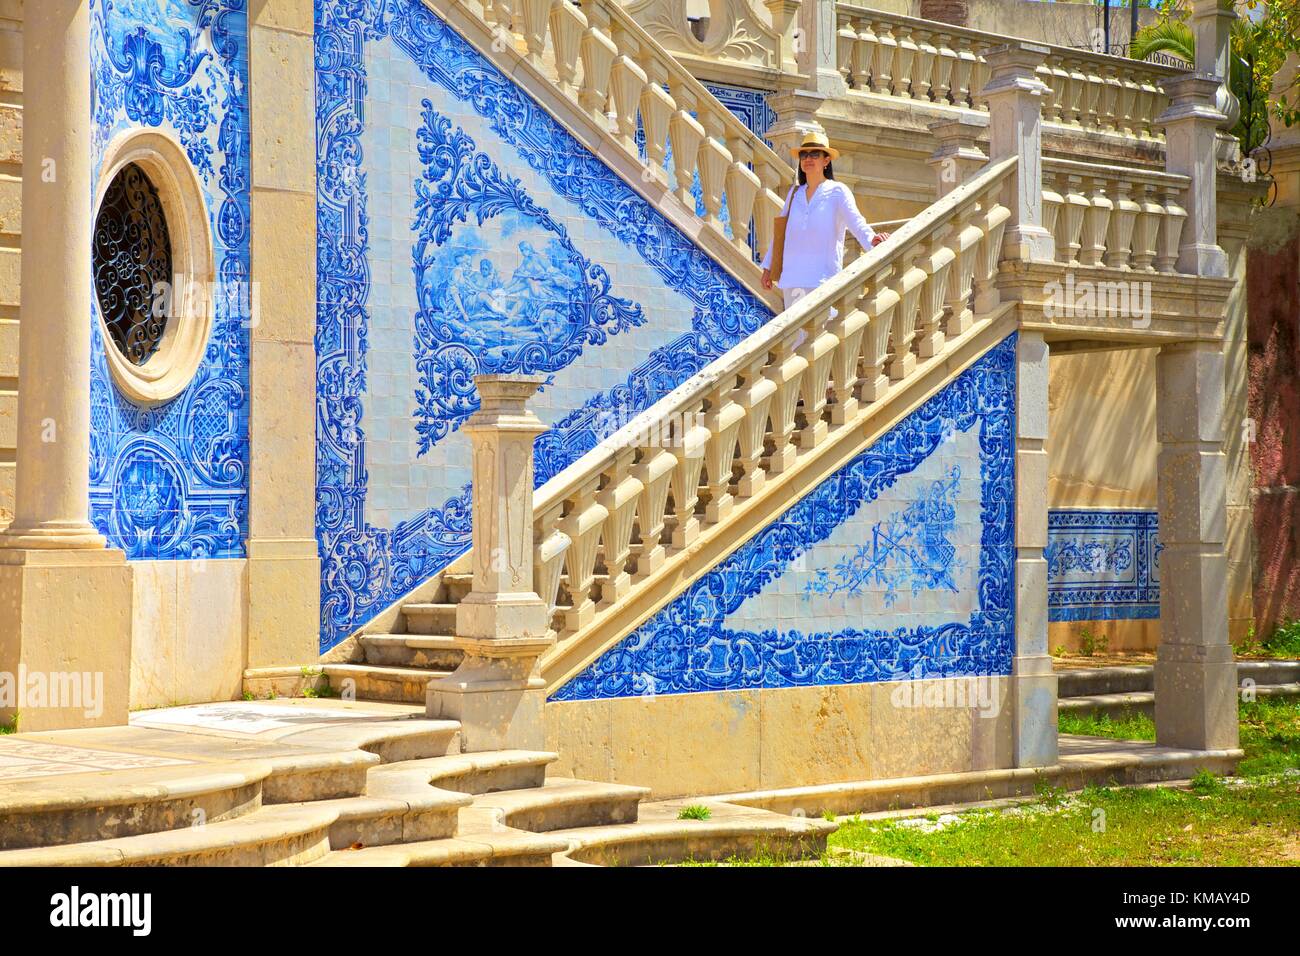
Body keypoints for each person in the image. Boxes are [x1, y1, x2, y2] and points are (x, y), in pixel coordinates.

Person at [760, 131, 889, 311]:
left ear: (826, 160)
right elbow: (781, 234)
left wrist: (872, 241)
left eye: (814, 154)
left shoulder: (838, 192)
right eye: (804, 155)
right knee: (797, 339)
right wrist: (767, 268)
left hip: (823, 281)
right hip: (792, 281)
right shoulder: (794, 194)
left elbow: (857, 223)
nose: (808, 159)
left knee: (820, 338)